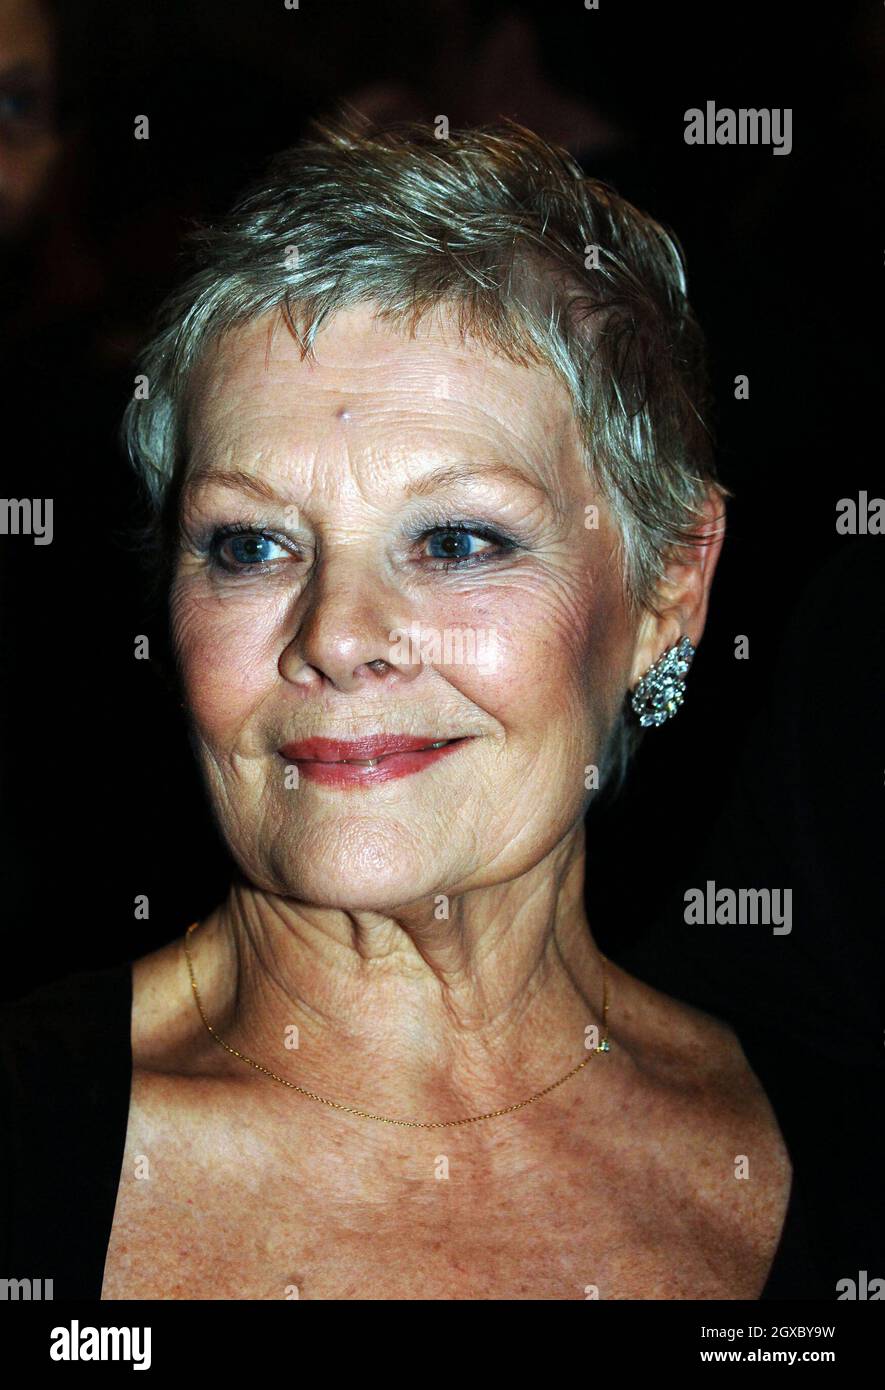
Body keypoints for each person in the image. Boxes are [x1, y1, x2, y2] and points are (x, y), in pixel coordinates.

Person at [1, 117, 822, 1300]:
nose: (336, 636)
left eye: (454, 540)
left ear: (668, 588)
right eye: (251, 544)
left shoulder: (834, 1151)